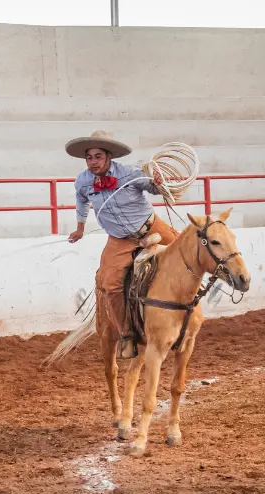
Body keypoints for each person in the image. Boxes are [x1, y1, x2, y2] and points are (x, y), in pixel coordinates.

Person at [65, 130, 175, 359]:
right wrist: (80, 227)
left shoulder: (130, 173)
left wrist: (158, 182)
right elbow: (81, 200)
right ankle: (127, 335)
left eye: (98, 156)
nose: (93, 162)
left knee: (188, 252)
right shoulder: (82, 181)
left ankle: (190, 314)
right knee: (111, 284)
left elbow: (153, 188)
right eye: (89, 157)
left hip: (151, 226)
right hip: (119, 240)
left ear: (109, 156)